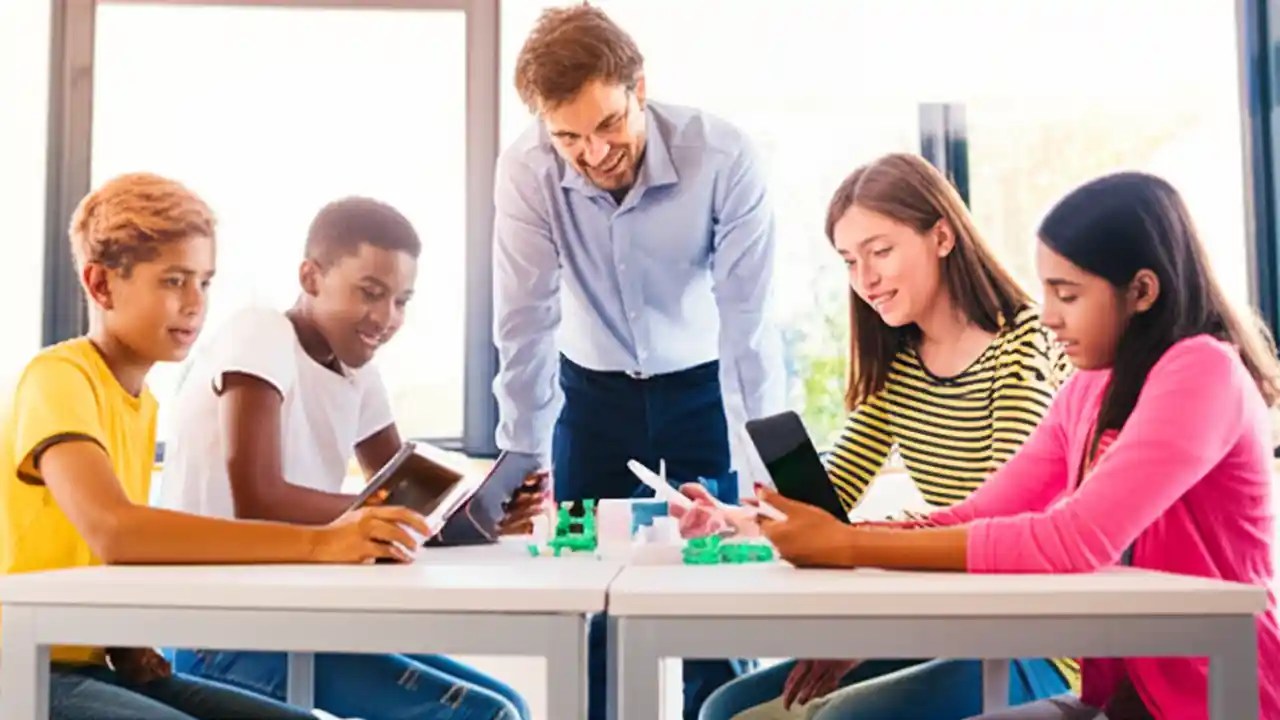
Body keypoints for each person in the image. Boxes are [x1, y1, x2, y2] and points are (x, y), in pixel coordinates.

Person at [753, 172, 1280, 719]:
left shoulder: (1202, 370)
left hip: (1211, 699)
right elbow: (980, 513)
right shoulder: (1090, 386)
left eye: (1067, 294)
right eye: (1047, 290)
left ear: (1142, 292)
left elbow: (1073, 539)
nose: (1049, 315)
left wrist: (848, 547)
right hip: (1120, 699)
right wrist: (844, 536)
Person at [0, 172, 432, 720]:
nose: (193, 304)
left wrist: (123, 641)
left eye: (204, 282)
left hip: (88, 663)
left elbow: (76, 548)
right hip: (24, 664)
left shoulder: (140, 403)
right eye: (173, 281)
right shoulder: (57, 378)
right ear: (102, 285)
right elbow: (115, 531)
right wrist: (321, 542)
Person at [688, 153, 1075, 720]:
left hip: (1041, 640)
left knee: (841, 718)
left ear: (941, 236)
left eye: (881, 251)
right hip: (956, 624)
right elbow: (830, 501)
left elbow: (998, 532)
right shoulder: (899, 365)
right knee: (727, 708)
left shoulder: (1023, 347)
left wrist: (869, 635)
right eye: (849, 260)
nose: (864, 279)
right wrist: (735, 520)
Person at [494, 5, 782, 717]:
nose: (593, 154)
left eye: (609, 125)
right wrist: (519, 463)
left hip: (702, 391)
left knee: (714, 610)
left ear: (639, 88)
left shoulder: (723, 156)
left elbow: (749, 328)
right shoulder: (526, 168)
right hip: (589, 398)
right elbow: (525, 320)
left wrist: (763, 479)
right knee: (587, 606)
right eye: (569, 137)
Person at [160, 197, 538, 720]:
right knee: (485, 715)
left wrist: (479, 517)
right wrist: (405, 518)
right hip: (221, 631)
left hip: (299, 617)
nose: (387, 318)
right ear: (310, 278)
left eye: (402, 301)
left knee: (511, 705)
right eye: (370, 293)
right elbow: (258, 496)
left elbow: (404, 502)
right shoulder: (260, 332)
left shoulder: (358, 373)